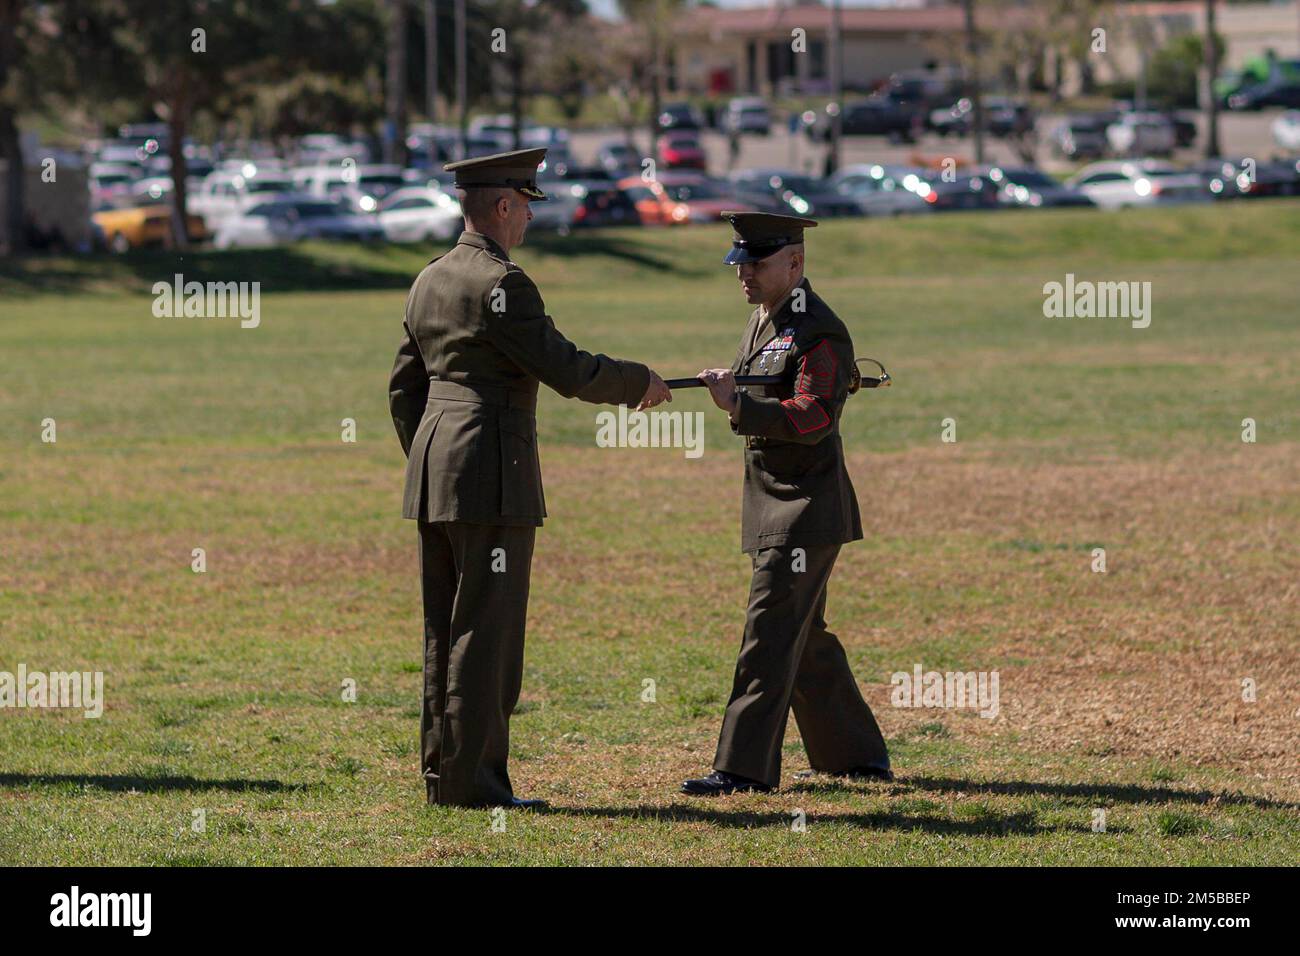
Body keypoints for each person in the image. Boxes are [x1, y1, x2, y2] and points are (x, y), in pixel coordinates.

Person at [388, 147, 671, 808]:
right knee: (486, 634)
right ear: (505, 206)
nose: (527, 224)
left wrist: (430, 459)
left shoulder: (428, 279)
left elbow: (404, 391)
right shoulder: (502, 283)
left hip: (435, 473)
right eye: (525, 207)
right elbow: (567, 369)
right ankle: (475, 786)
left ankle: (444, 773)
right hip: (491, 473)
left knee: (444, 631)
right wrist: (638, 382)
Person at [684, 211, 891, 796]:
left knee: (770, 632)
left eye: (757, 262)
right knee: (805, 635)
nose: (743, 272)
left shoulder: (820, 331)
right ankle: (854, 757)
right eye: (740, 261)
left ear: (795, 264)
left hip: (805, 507)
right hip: (774, 499)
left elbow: (815, 416)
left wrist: (737, 406)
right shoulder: (765, 319)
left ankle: (741, 769)